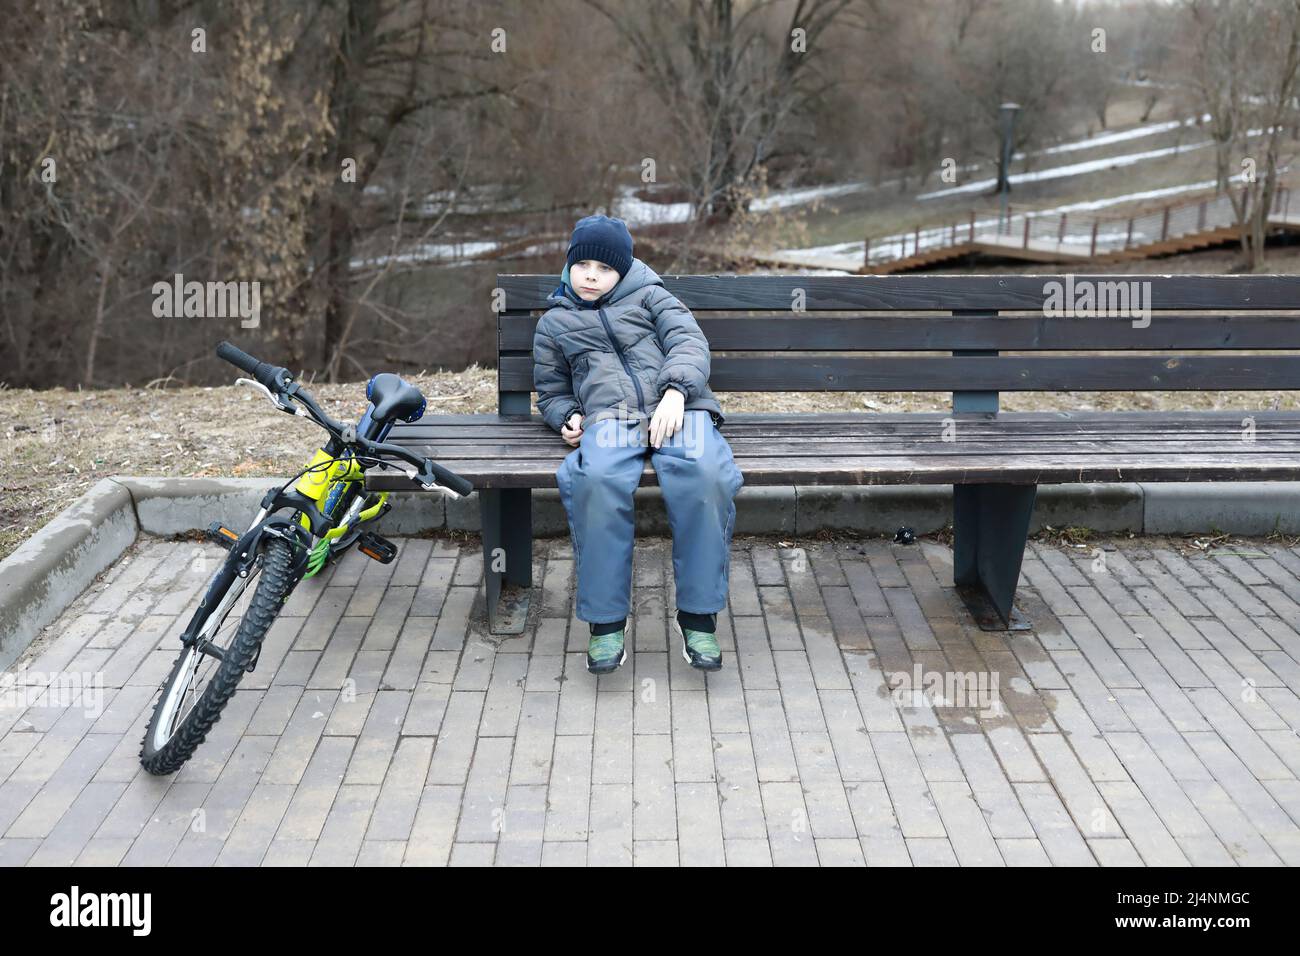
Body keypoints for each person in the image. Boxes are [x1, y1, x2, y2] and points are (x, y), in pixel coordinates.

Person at [532, 214, 745, 674]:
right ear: (569, 265)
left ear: (623, 270)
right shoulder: (554, 324)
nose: (591, 275)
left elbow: (689, 343)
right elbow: (550, 391)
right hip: (609, 420)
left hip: (679, 411)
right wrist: (565, 416)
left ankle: (698, 616)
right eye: (582, 264)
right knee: (596, 480)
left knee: (706, 475)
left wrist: (676, 392)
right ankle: (606, 622)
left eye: (604, 268)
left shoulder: (652, 297)